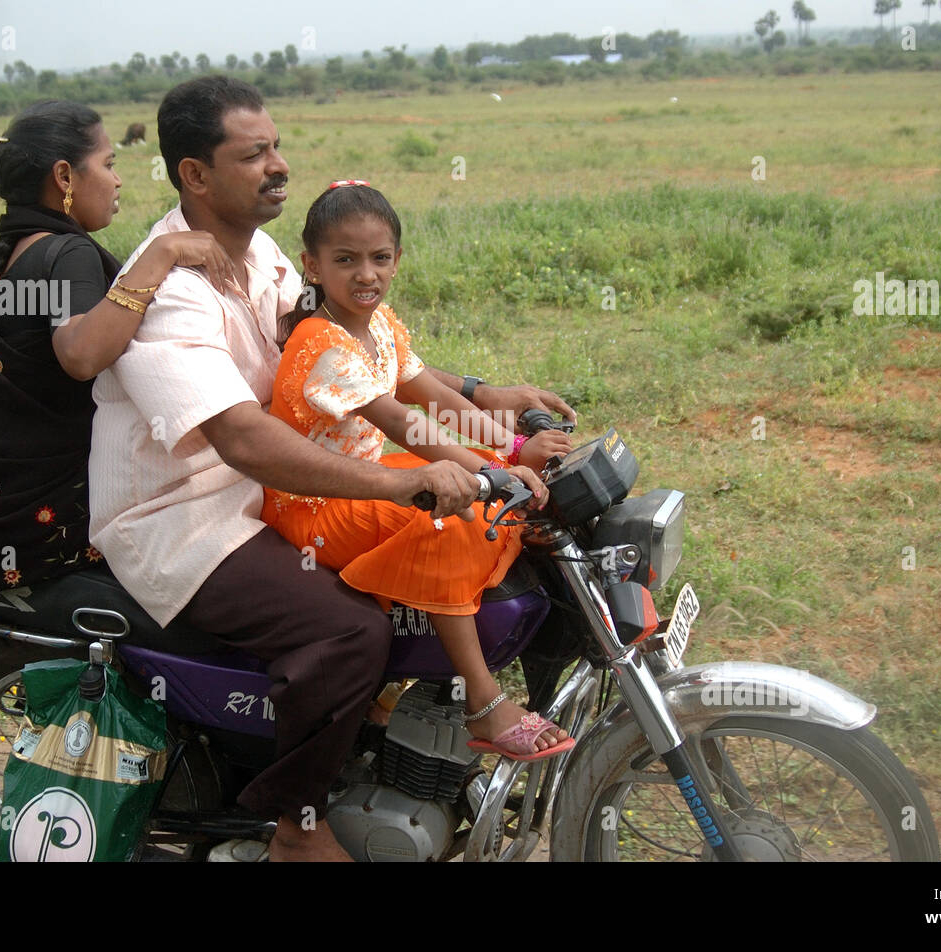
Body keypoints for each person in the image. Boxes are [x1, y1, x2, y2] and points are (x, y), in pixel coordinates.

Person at [87, 76, 576, 860]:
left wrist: (489, 402)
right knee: (350, 629)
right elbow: (243, 441)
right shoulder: (174, 293)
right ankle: (296, 828)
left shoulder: (268, 260)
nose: (279, 166)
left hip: (270, 494)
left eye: (277, 146)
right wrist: (400, 480)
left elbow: (367, 367)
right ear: (196, 174)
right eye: (255, 154)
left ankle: (387, 748)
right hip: (185, 520)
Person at [263, 181, 575, 760]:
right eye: (345, 260)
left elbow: (430, 396)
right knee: (455, 518)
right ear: (311, 265)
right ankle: (482, 702)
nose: (366, 275)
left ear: (397, 260)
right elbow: (403, 424)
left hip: (364, 475)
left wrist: (509, 450)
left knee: (491, 505)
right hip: (312, 505)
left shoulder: (377, 325)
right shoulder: (321, 342)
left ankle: (401, 682)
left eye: (380, 258)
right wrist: (495, 472)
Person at [0, 100, 236, 592]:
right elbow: (81, 354)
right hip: (37, 527)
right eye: (108, 164)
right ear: (64, 177)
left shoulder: (5, 256)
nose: (117, 180)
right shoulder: (68, 253)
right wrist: (162, 251)